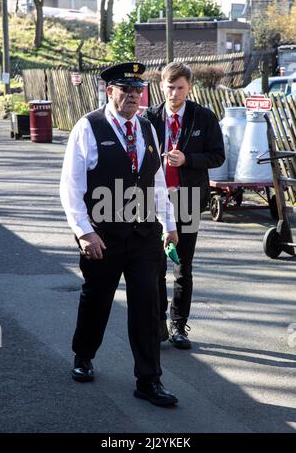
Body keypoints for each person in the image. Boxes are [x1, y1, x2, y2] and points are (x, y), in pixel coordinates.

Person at [60, 62, 179, 407]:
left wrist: (169, 224)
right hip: (103, 235)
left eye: (137, 91)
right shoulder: (88, 127)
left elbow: (156, 182)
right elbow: (71, 187)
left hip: (143, 236)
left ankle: (149, 380)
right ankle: (83, 355)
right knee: (97, 299)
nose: (132, 96)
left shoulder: (146, 128)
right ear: (109, 91)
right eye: (125, 90)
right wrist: (84, 232)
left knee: (147, 305)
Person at [145, 62, 225, 349]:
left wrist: (188, 160)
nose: (175, 93)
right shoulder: (149, 118)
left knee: (182, 265)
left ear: (189, 87)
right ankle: (157, 324)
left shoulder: (203, 117)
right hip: (154, 200)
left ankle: (178, 325)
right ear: (161, 86)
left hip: (188, 198)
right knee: (154, 264)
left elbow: (218, 156)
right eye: (170, 87)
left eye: (180, 88)